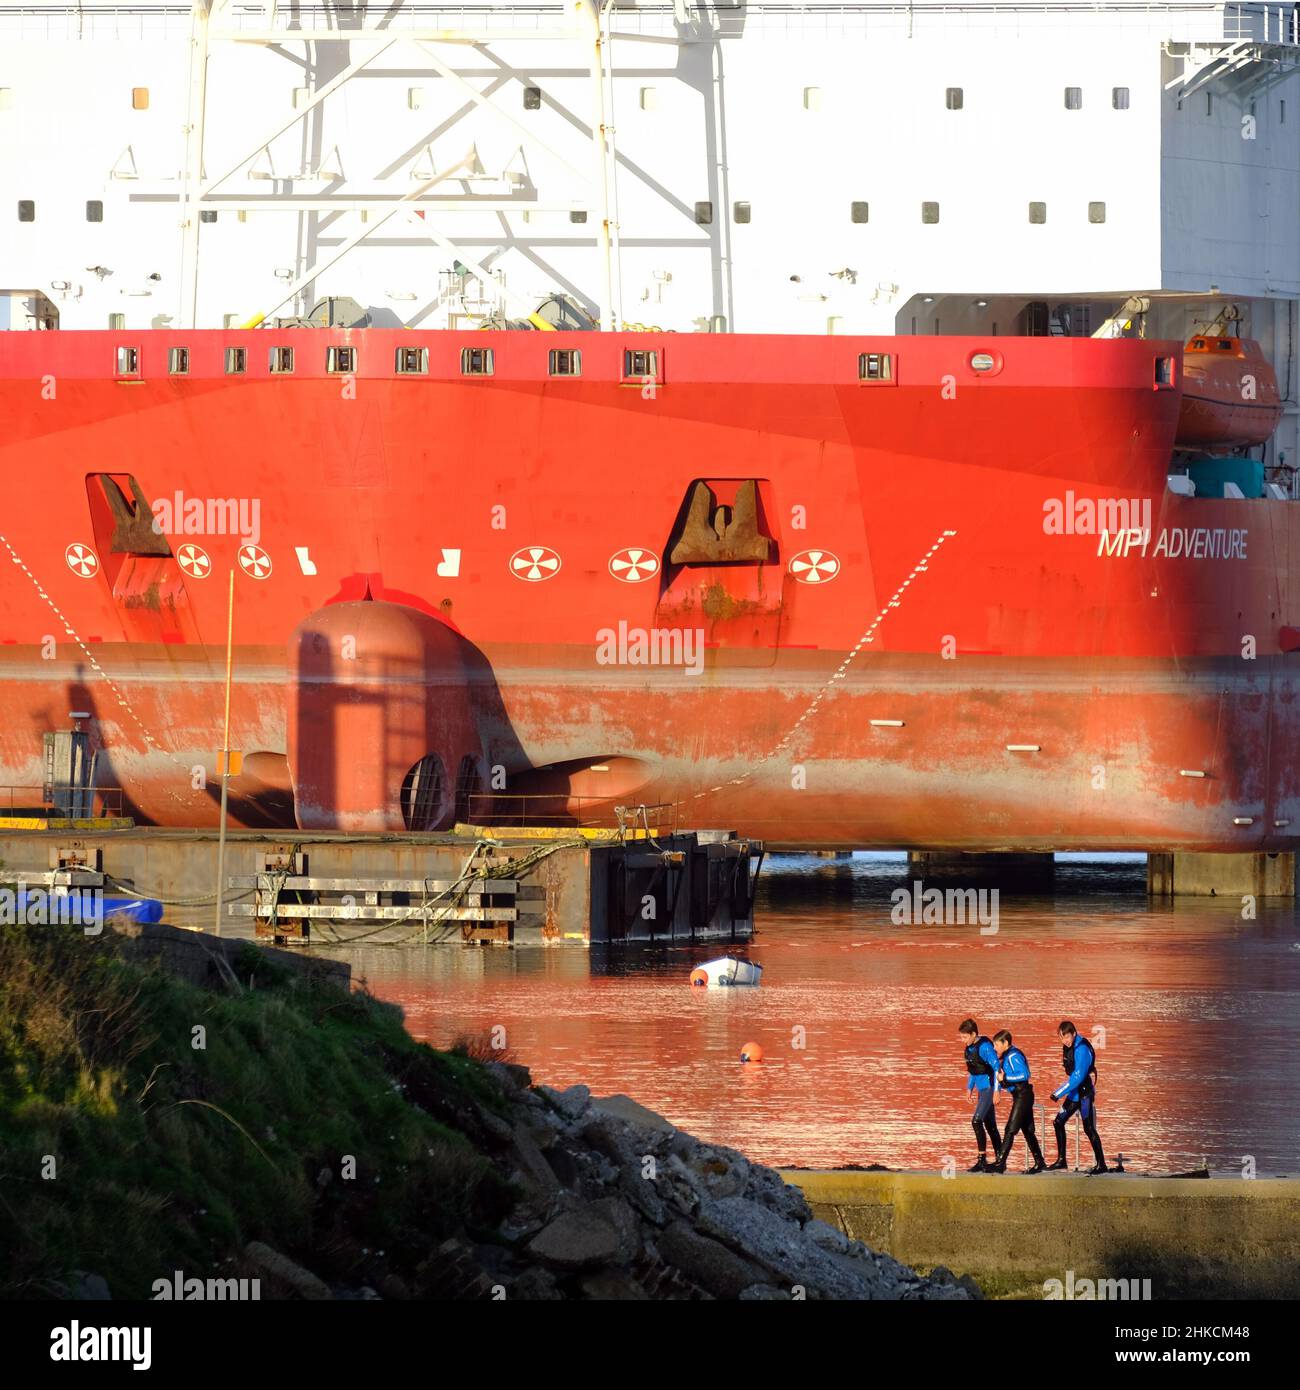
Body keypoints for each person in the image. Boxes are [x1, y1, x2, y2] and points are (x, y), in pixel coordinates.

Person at [1049, 1020, 1107, 1174]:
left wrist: (1058, 1093)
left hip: (1084, 1093)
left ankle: (1102, 1164)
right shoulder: (1069, 1046)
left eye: (1067, 1037)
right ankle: (1061, 1160)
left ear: (1074, 1034)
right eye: (1062, 1038)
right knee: (1058, 1122)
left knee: (1089, 1129)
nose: (1064, 1041)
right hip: (1074, 1093)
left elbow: (1078, 1077)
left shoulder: (1081, 1049)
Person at [987, 1029, 1046, 1174]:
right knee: (1028, 1131)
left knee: (1010, 1129)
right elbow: (998, 1074)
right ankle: (1040, 1162)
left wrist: (1005, 1079)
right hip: (1020, 1095)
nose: (994, 1048)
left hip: (1023, 1096)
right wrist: (997, 1090)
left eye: (996, 1045)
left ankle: (1000, 1163)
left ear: (1005, 1043)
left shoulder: (1013, 1055)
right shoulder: (1006, 1056)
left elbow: (1024, 1074)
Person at [958, 1018, 1001, 1172]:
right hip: (981, 1091)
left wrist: (997, 1090)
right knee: (990, 1126)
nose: (962, 1040)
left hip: (989, 1089)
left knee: (976, 1121)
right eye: (961, 1037)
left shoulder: (985, 1047)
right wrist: (969, 1088)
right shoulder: (969, 1049)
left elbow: (997, 1068)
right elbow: (973, 1070)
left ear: (973, 1034)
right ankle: (1000, 1160)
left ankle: (982, 1160)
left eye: (965, 1037)